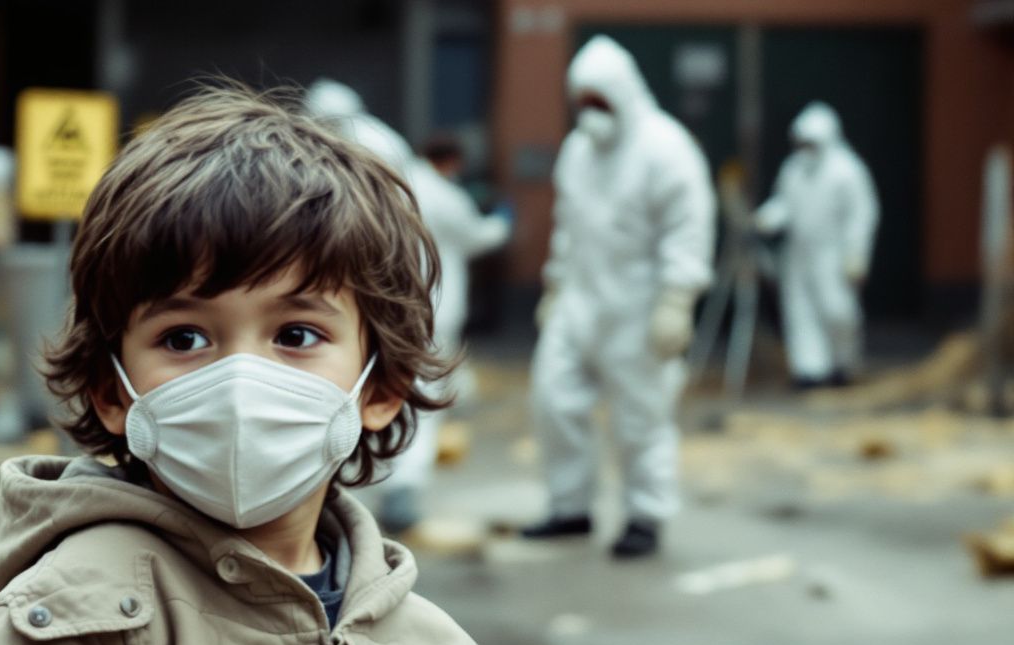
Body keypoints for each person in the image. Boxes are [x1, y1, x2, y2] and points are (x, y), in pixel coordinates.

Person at [0, 84, 532, 645]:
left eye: (297, 334)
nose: (240, 382)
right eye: (186, 338)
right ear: (111, 389)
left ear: (383, 387)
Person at [523, 36, 716, 558]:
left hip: (639, 307)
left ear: (625, 95)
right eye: (582, 102)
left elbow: (688, 230)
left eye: (599, 101)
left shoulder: (666, 148)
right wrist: (556, 283)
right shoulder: (578, 151)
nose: (590, 113)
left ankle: (645, 516)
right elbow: (568, 225)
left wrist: (677, 299)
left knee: (640, 417)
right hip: (580, 301)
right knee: (553, 400)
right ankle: (570, 507)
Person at [304, 81, 511, 533]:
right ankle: (384, 490)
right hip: (401, 300)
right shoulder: (391, 158)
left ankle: (381, 491)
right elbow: (476, 235)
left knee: (388, 389)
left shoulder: (350, 155)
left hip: (389, 301)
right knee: (390, 391)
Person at [756, 102, 880, 388]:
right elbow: (785, 203)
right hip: (799, 253)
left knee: (838, 310)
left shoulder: (847, 170)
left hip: (832, 253)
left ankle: (843, 364)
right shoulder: (794, 168)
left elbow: (862, 214)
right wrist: (765, 219)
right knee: (799, 313)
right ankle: (809, 369)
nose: (806, 148)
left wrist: (857, 253)